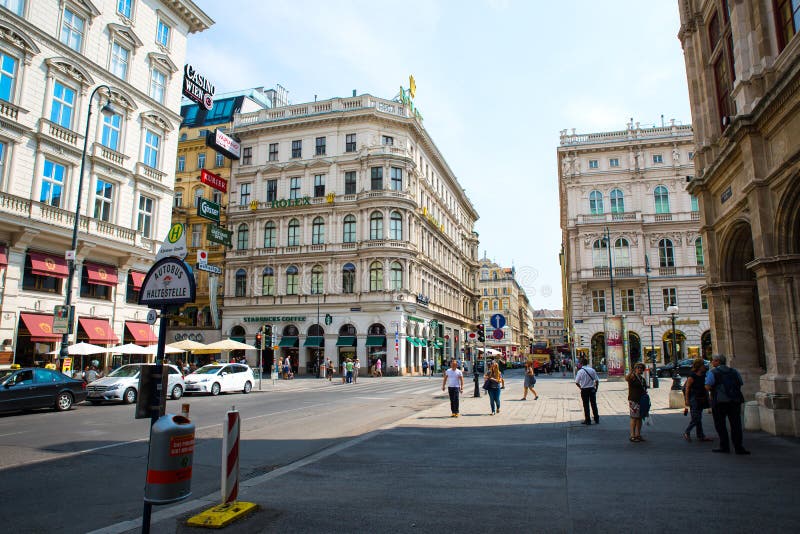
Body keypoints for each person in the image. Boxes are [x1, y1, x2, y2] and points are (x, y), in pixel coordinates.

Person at [705, 354, 749, 455]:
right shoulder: (734, 371)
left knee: (720, 424)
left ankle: (724, 446)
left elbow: (707, 386)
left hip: (719, 402)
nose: (712, 362)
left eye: (713, 360)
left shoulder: (713, 372)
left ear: (718, 361)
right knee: (736, 424)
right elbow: (740, 383)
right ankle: (738, 447)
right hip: (734, 401)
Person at [683, 358, 713, 443]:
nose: (704, 366)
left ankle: (700, 435)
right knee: (696, 417)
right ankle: (687, 431)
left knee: (698, 417)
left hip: (702, 398)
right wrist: (687, 400)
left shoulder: (704, 374)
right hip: (694, 399)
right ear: (699, 366)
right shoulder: (692, 376)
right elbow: (687, 389)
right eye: (703, 364)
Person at [626, 362, 648, 442]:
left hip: (641, 400)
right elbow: (627, 378)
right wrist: (632, 372)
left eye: (641, 368)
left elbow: (645, 389)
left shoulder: (642, 379)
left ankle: (638, 434)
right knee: (634, 417)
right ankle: (632, 435)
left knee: (639, 418)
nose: (640, 369)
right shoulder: (633, 377)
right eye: (638, 368)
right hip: (634, 400)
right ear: (635, 369)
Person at [575, 357, 600, 425]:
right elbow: (597, 380)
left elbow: (576, 382)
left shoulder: (580, 371)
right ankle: (596, 418)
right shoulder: (592, 370)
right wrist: (596, 389)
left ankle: (588, 420)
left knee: (586, 405)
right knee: (594, 404)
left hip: (584, 390)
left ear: (581, 363)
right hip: (592, 389)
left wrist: (581, 387)